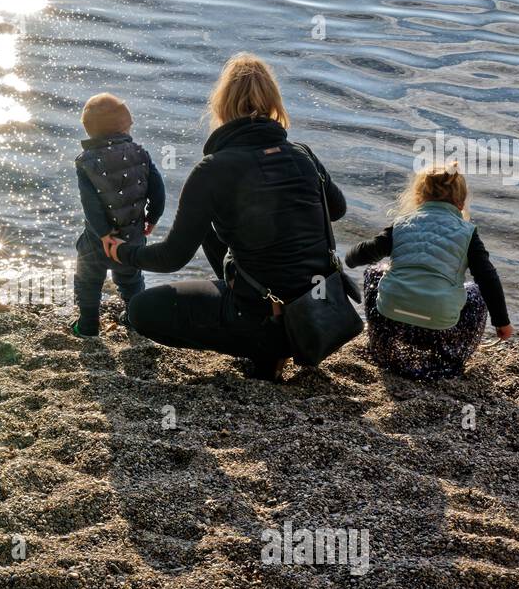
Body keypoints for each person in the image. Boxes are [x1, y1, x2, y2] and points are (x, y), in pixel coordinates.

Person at [107, 54, 345, 380]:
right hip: (320, 315)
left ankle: (260, 343)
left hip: (264, 323)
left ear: (221, 106)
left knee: (141, 310)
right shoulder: (304, 156)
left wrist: (121, 252)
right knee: (216, 230)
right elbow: (339, 210)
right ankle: (268, 331)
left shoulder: (213, 170)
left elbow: (172, 257)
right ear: (274, 102)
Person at [344, 163, 513, 379]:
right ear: (461, 202)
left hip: (391, 319)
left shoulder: (402, 224)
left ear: (418, 197)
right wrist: (502, 322)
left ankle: (380, 344)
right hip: (439, 328)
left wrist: (348, 258)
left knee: (374, 272)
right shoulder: (467, 233)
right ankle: (454, 355)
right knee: (477, 292)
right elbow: (488, 278)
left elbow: (362, 255)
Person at [70, 93, 165, 337]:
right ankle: (136, 320)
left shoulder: (86, 162)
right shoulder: (141, 153)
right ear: (123, 128)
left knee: (88, 281)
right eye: (130, 125)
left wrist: (104, 234)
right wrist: (153, 218)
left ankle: (88, 325)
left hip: (97, 241)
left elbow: (90, 204)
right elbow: (158, 190)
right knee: (131, 281)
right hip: (132, 238)